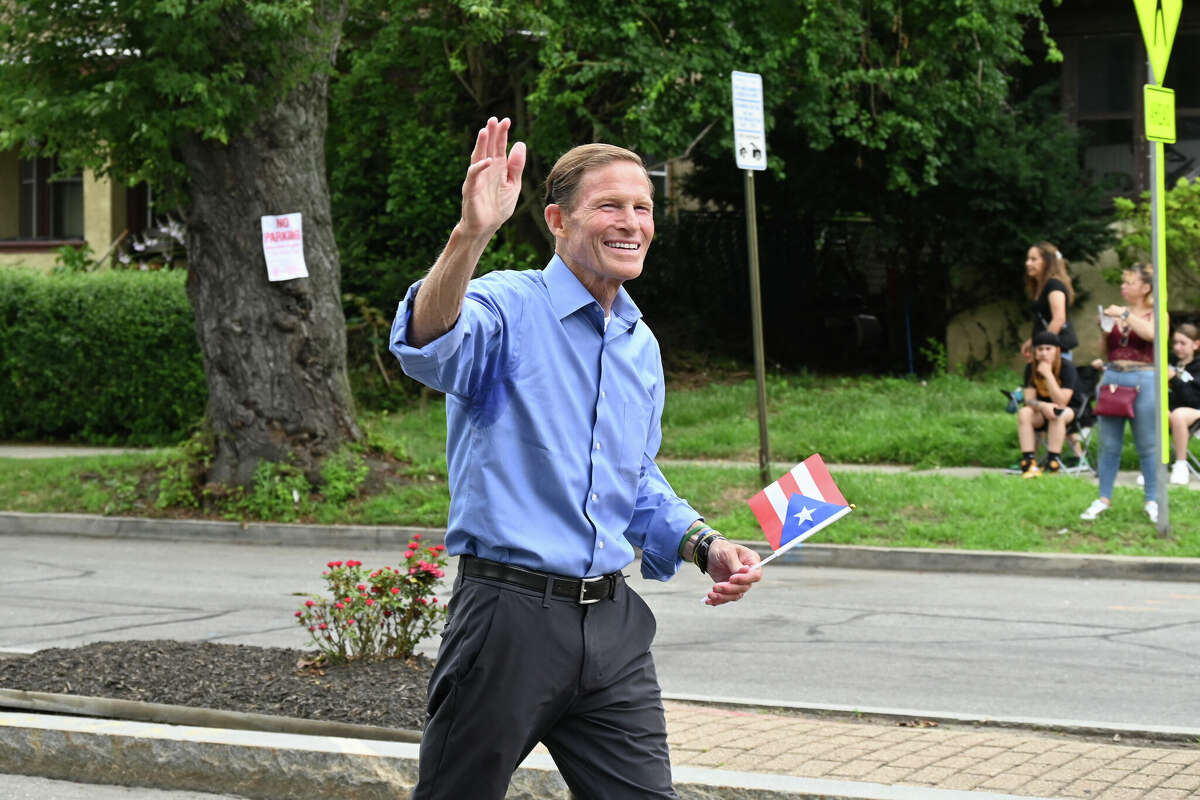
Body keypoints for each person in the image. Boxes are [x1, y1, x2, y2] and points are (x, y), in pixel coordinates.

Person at [388, 117, 762, 800]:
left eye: (642, 207)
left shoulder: (638, 344)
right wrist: (471, 234)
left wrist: (703, 543)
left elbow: (634, 481)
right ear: (558, 220)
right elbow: (427, 340)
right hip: (509, 619)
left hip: (612, 627)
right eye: (609, 206)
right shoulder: (507, 304)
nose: (631, 222)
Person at [1081, 263, 1159, 523]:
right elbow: (1104, 350)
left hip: (1144, 377)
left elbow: (1152, 335)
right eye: (1123, 283)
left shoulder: (1156, 313)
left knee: (1147, 443)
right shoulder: (1117, 313)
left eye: (1130, 282)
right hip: (1113, 376)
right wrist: (1104, 328)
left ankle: (1152, 499)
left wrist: (1125, 316)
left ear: (1146, 287)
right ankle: (1103, 498)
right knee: (1109, 443)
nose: (1124, 287)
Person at [1016, 331, 1079, 477]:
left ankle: (1052, 461)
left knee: (1058, 413)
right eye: (1040, 349)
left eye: (1048, 349)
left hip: (1070, 410)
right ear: (1035, 352)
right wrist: (1042, 406)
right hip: (1042, 410)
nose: (1044, 353)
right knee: (1024, 412)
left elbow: (1062, 401)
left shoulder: (1066, 367)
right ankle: (1028, 461)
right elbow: (1029, 399)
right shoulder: (1030, 368)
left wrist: (1048, 375)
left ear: (1057, 350)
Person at [1021, 242, 1077, 361]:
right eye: (1028, 259)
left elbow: (1059, 319)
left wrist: (1041, 346)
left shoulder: (1054, 285)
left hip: (1057, 353)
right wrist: (1032, 341)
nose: (1028, 263)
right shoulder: (1041, 286)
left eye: (1033, 259)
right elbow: (1045, 320)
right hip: (1049, 350)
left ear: (1047, 262)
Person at [1167, 322, 1200, 485]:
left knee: (1178, 414)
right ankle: (1154, 466)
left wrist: (1173, 379)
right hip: (1172, 410)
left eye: (1183, 343)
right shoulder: (1169, 361)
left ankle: (1180, 465)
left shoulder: (1198, 367)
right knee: (1156, 412)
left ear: (1195, 344)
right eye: (1175, 343)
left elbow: (1194, 400)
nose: (1178, 347)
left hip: (1195, 410)